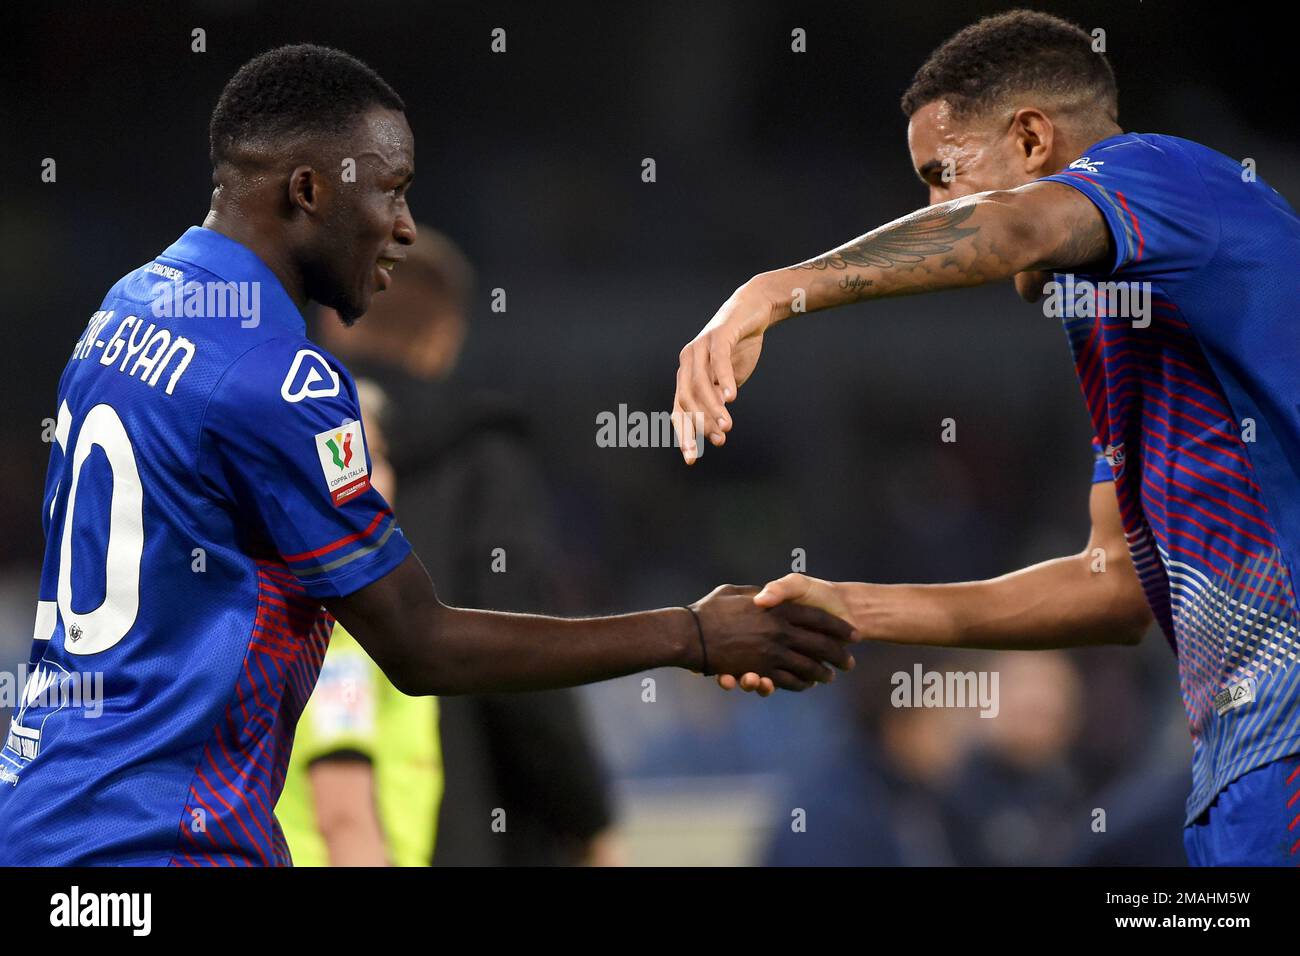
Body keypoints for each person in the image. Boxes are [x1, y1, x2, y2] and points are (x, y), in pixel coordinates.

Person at [0, 43, 855, 866]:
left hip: (44, 814)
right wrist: (691, 633)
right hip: (161, 843)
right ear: (309, 190)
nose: (405, 228)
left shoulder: (129, 303)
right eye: (392, 190)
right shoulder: (279, 375)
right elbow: (420, 643)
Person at [673, 10, 1300, 866]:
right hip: (1244, 765)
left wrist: (774, 291)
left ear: (1033, 141)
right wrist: (851, 609)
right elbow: (1109, 589)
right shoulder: (1130, 324)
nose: (931, 209)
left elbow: (1010, 227)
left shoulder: (1160, 173)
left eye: (941, 175)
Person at [315, 230, 619, 867]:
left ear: (331, 323)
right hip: (472, 831)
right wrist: (584, 815)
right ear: (445, 335)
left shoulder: (271, 443)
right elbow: (522, 654)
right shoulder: (483, 459)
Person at [275, 382, 442, 866]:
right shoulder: (339, 630)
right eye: (346, 461)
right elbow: (345, 817)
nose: (370, 481)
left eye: (378, 457)